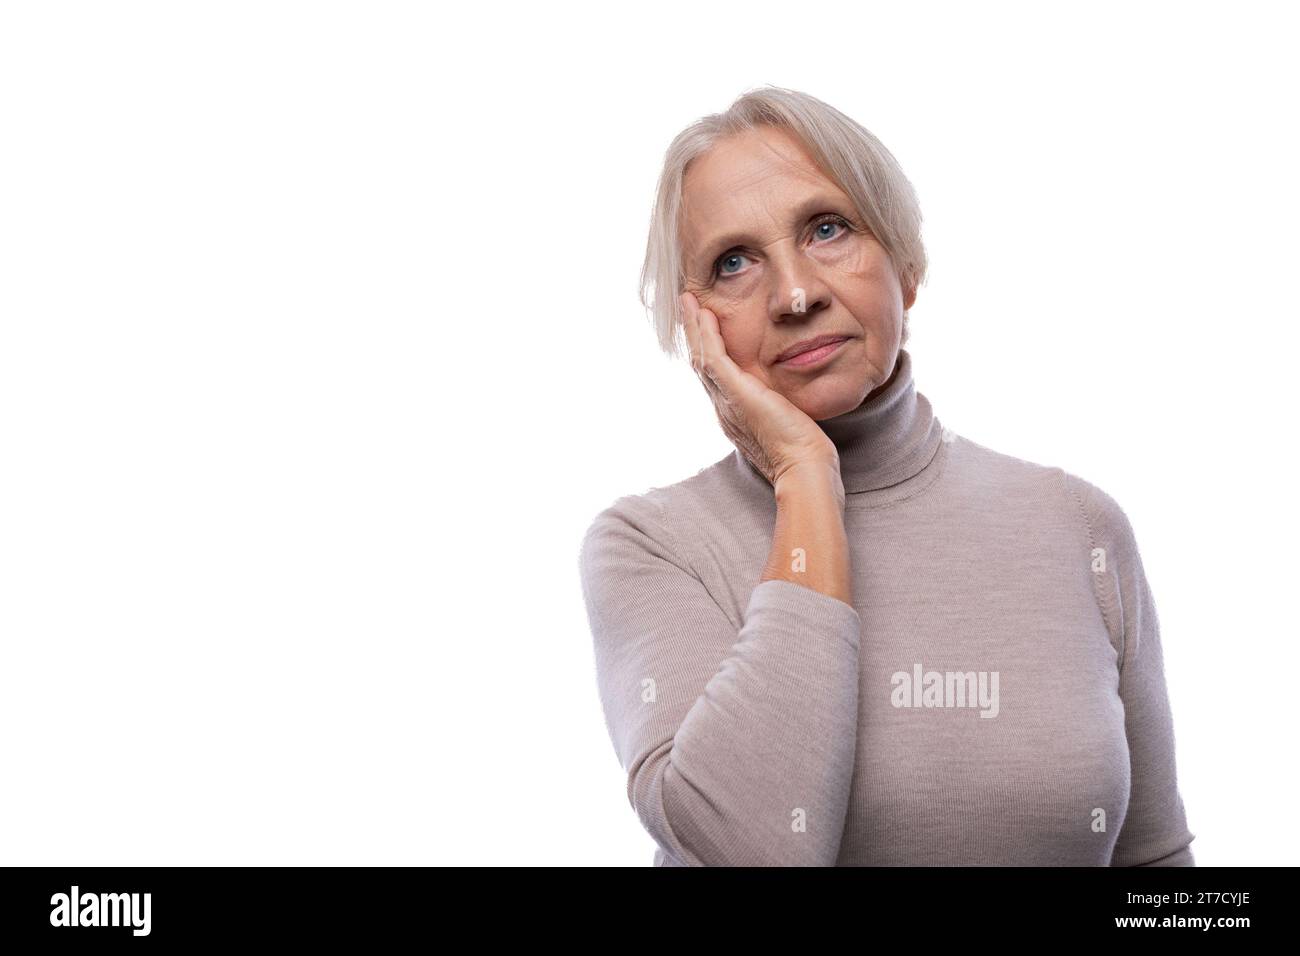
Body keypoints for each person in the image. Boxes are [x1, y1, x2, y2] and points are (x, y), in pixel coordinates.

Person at [577, 85, 1195, 866]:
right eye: (733, 263)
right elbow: (756, 850)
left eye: (828, 229)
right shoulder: (650, 546)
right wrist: (804, 476)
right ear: (694, 326)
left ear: (906, 264)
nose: (795, 294)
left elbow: (1160, 877)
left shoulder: (1078, 526)